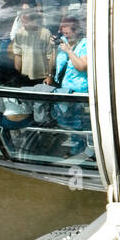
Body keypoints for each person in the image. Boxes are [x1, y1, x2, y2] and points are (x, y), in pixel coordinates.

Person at [44, 13, 90, 154]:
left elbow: (82, 66)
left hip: (79, 90)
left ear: (77, 31)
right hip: (64, 88)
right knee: (67, 121)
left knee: (80, 122)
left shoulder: (86, 44)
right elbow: (54, 63)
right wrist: (52, 48)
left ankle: (86, 150)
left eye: (68, 33)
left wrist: (69, 51)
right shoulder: (62, 41)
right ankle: (75, 146)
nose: (65, 36)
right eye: (63, 33)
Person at [11, 6, 55, 85]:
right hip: (24, 76)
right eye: (22, 22)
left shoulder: (45, 33)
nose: (23, 24)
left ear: (34, 21)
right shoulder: (19, 34)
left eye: (26, 22)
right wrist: (16, 76)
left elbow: (50, 57)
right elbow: (18, 55)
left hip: (42, 77)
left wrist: (50, 76)